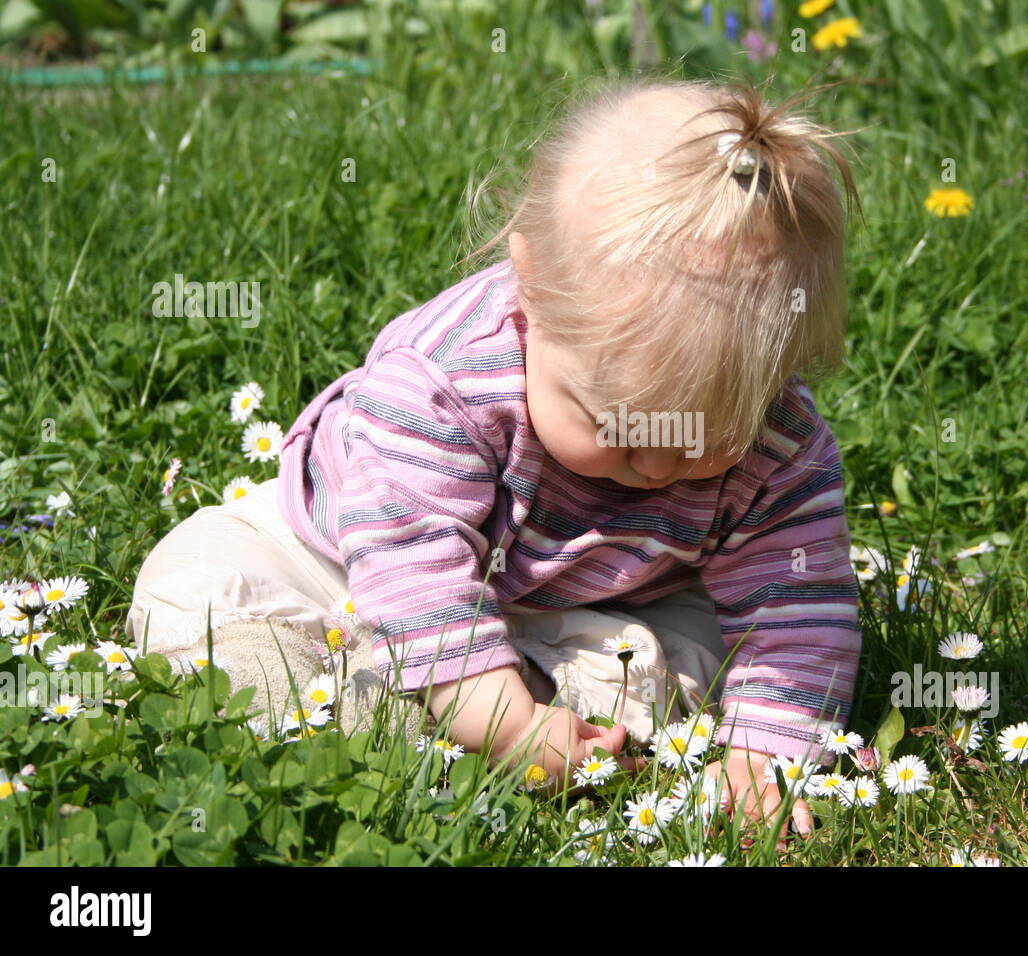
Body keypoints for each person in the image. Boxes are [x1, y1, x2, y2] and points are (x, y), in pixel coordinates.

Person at [127, 76, 863, 838]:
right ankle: (416, 700)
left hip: (600, 604)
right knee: (193, 583)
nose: (654, 467)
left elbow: (796, 613)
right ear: (532, 285)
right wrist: (505, 722)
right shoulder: (442, 381)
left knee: (715, 650)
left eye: (702, 439)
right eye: (617, 427)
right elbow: (412, 561)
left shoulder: (778, 441)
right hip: (347, 557)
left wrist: (763, 755)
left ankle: (418, 711)